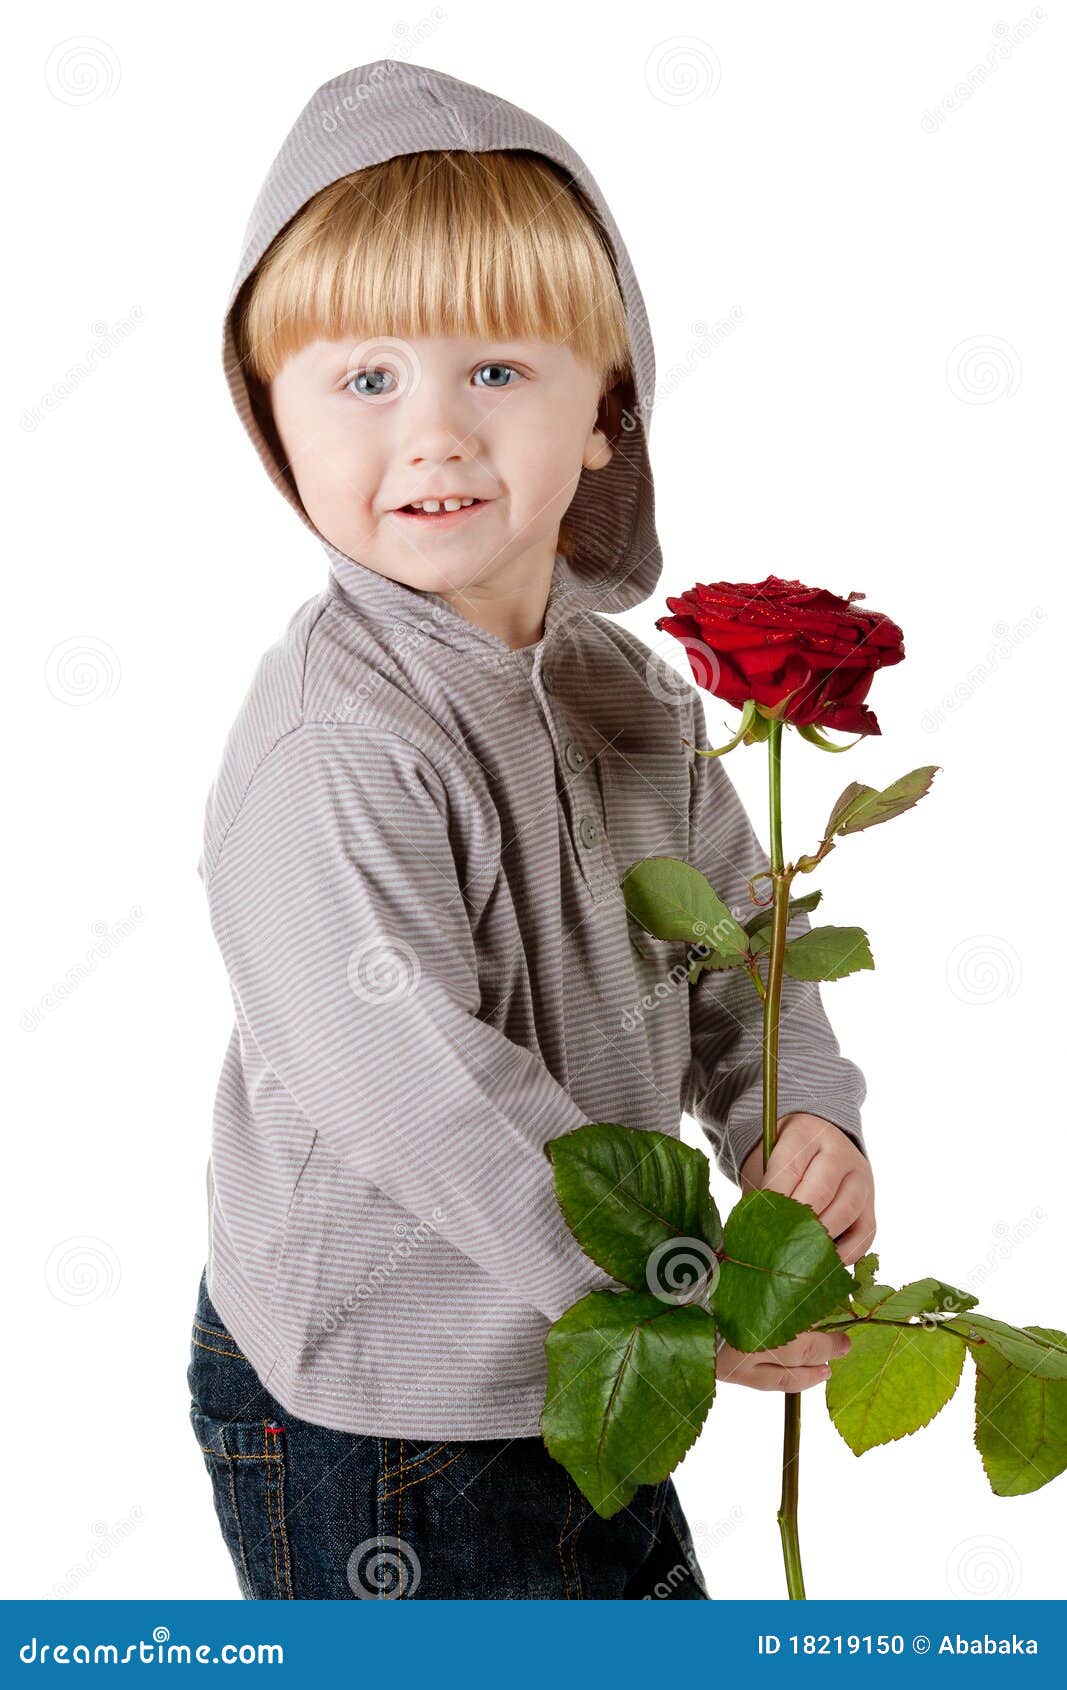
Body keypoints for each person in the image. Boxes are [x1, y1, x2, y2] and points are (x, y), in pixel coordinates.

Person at [187, 57, 874, 1600]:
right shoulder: (332, 745)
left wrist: (796, 1118)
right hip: (391, 1416)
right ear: (275, 420)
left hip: (596, 1351)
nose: (430, 436)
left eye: (495, 372)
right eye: (364, 380)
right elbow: (425, 1092)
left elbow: (733, 936)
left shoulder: (622, 692)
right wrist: (692, 1281)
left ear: (606, 416)